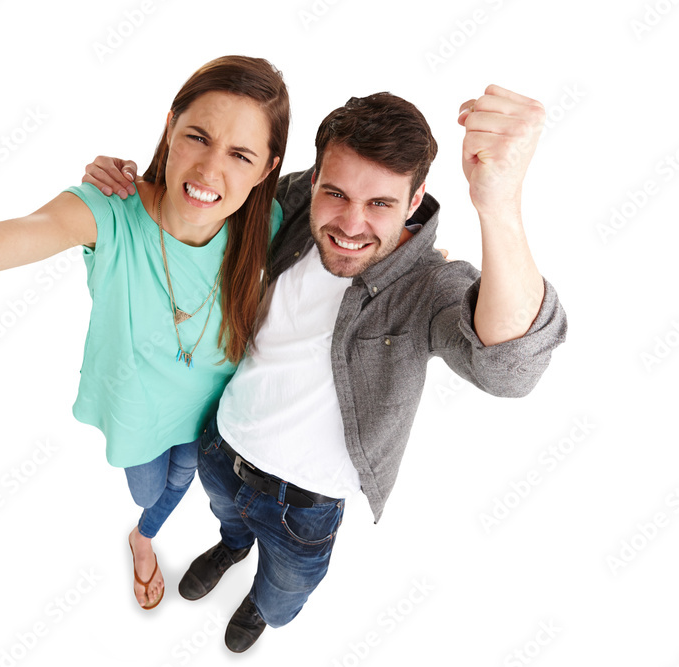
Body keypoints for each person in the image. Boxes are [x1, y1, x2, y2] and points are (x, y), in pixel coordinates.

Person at [81, 85, 568, 651]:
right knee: (228, 521)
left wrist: (500, 204)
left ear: (414, 202)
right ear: (312, 180)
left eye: (381, 204)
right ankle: (232, 546)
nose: (351, 224)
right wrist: (128, 185)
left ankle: (260, 607)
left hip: (304, 509)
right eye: (336, 193)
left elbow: (511, 370)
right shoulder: (288, 213)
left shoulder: (429, 286)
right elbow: (210, 191)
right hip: (222, 446)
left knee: (284, 597)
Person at [0, 31, 289, 611]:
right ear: (169, 127)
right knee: (151, 488)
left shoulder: (269, 223)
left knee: (184, 480)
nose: (212, 169)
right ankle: (142, 530)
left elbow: (354, 209)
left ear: (268, 168)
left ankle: (144, 538)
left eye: (241, 155)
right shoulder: (107, 209)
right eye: (198, 137)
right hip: (138, 417)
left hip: (214, 417)